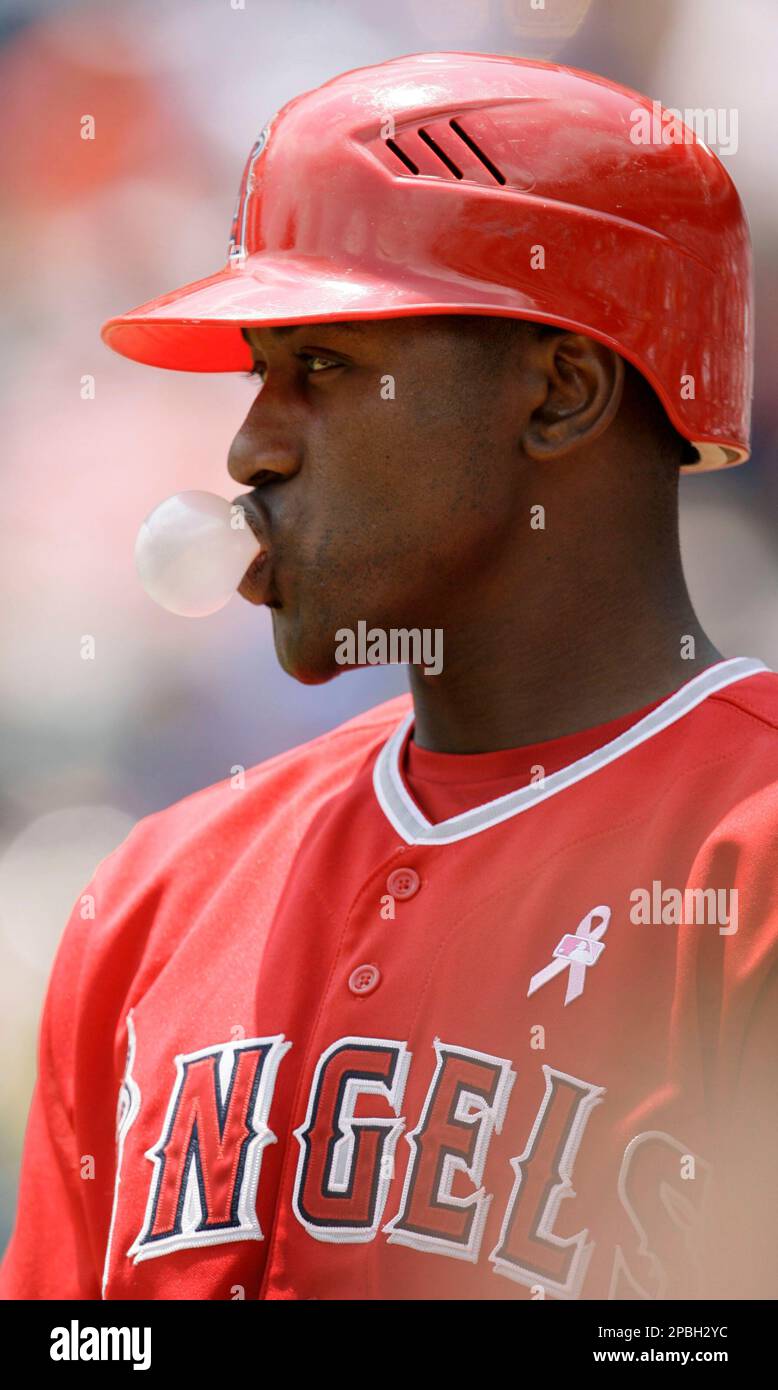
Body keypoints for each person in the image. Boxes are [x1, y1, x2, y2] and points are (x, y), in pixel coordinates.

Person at [2, 52, 775, 1302]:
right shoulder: (151, 898)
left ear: (561, 393)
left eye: (324, 369)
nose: (250, 444)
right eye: (262, 369)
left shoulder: (751, 865)